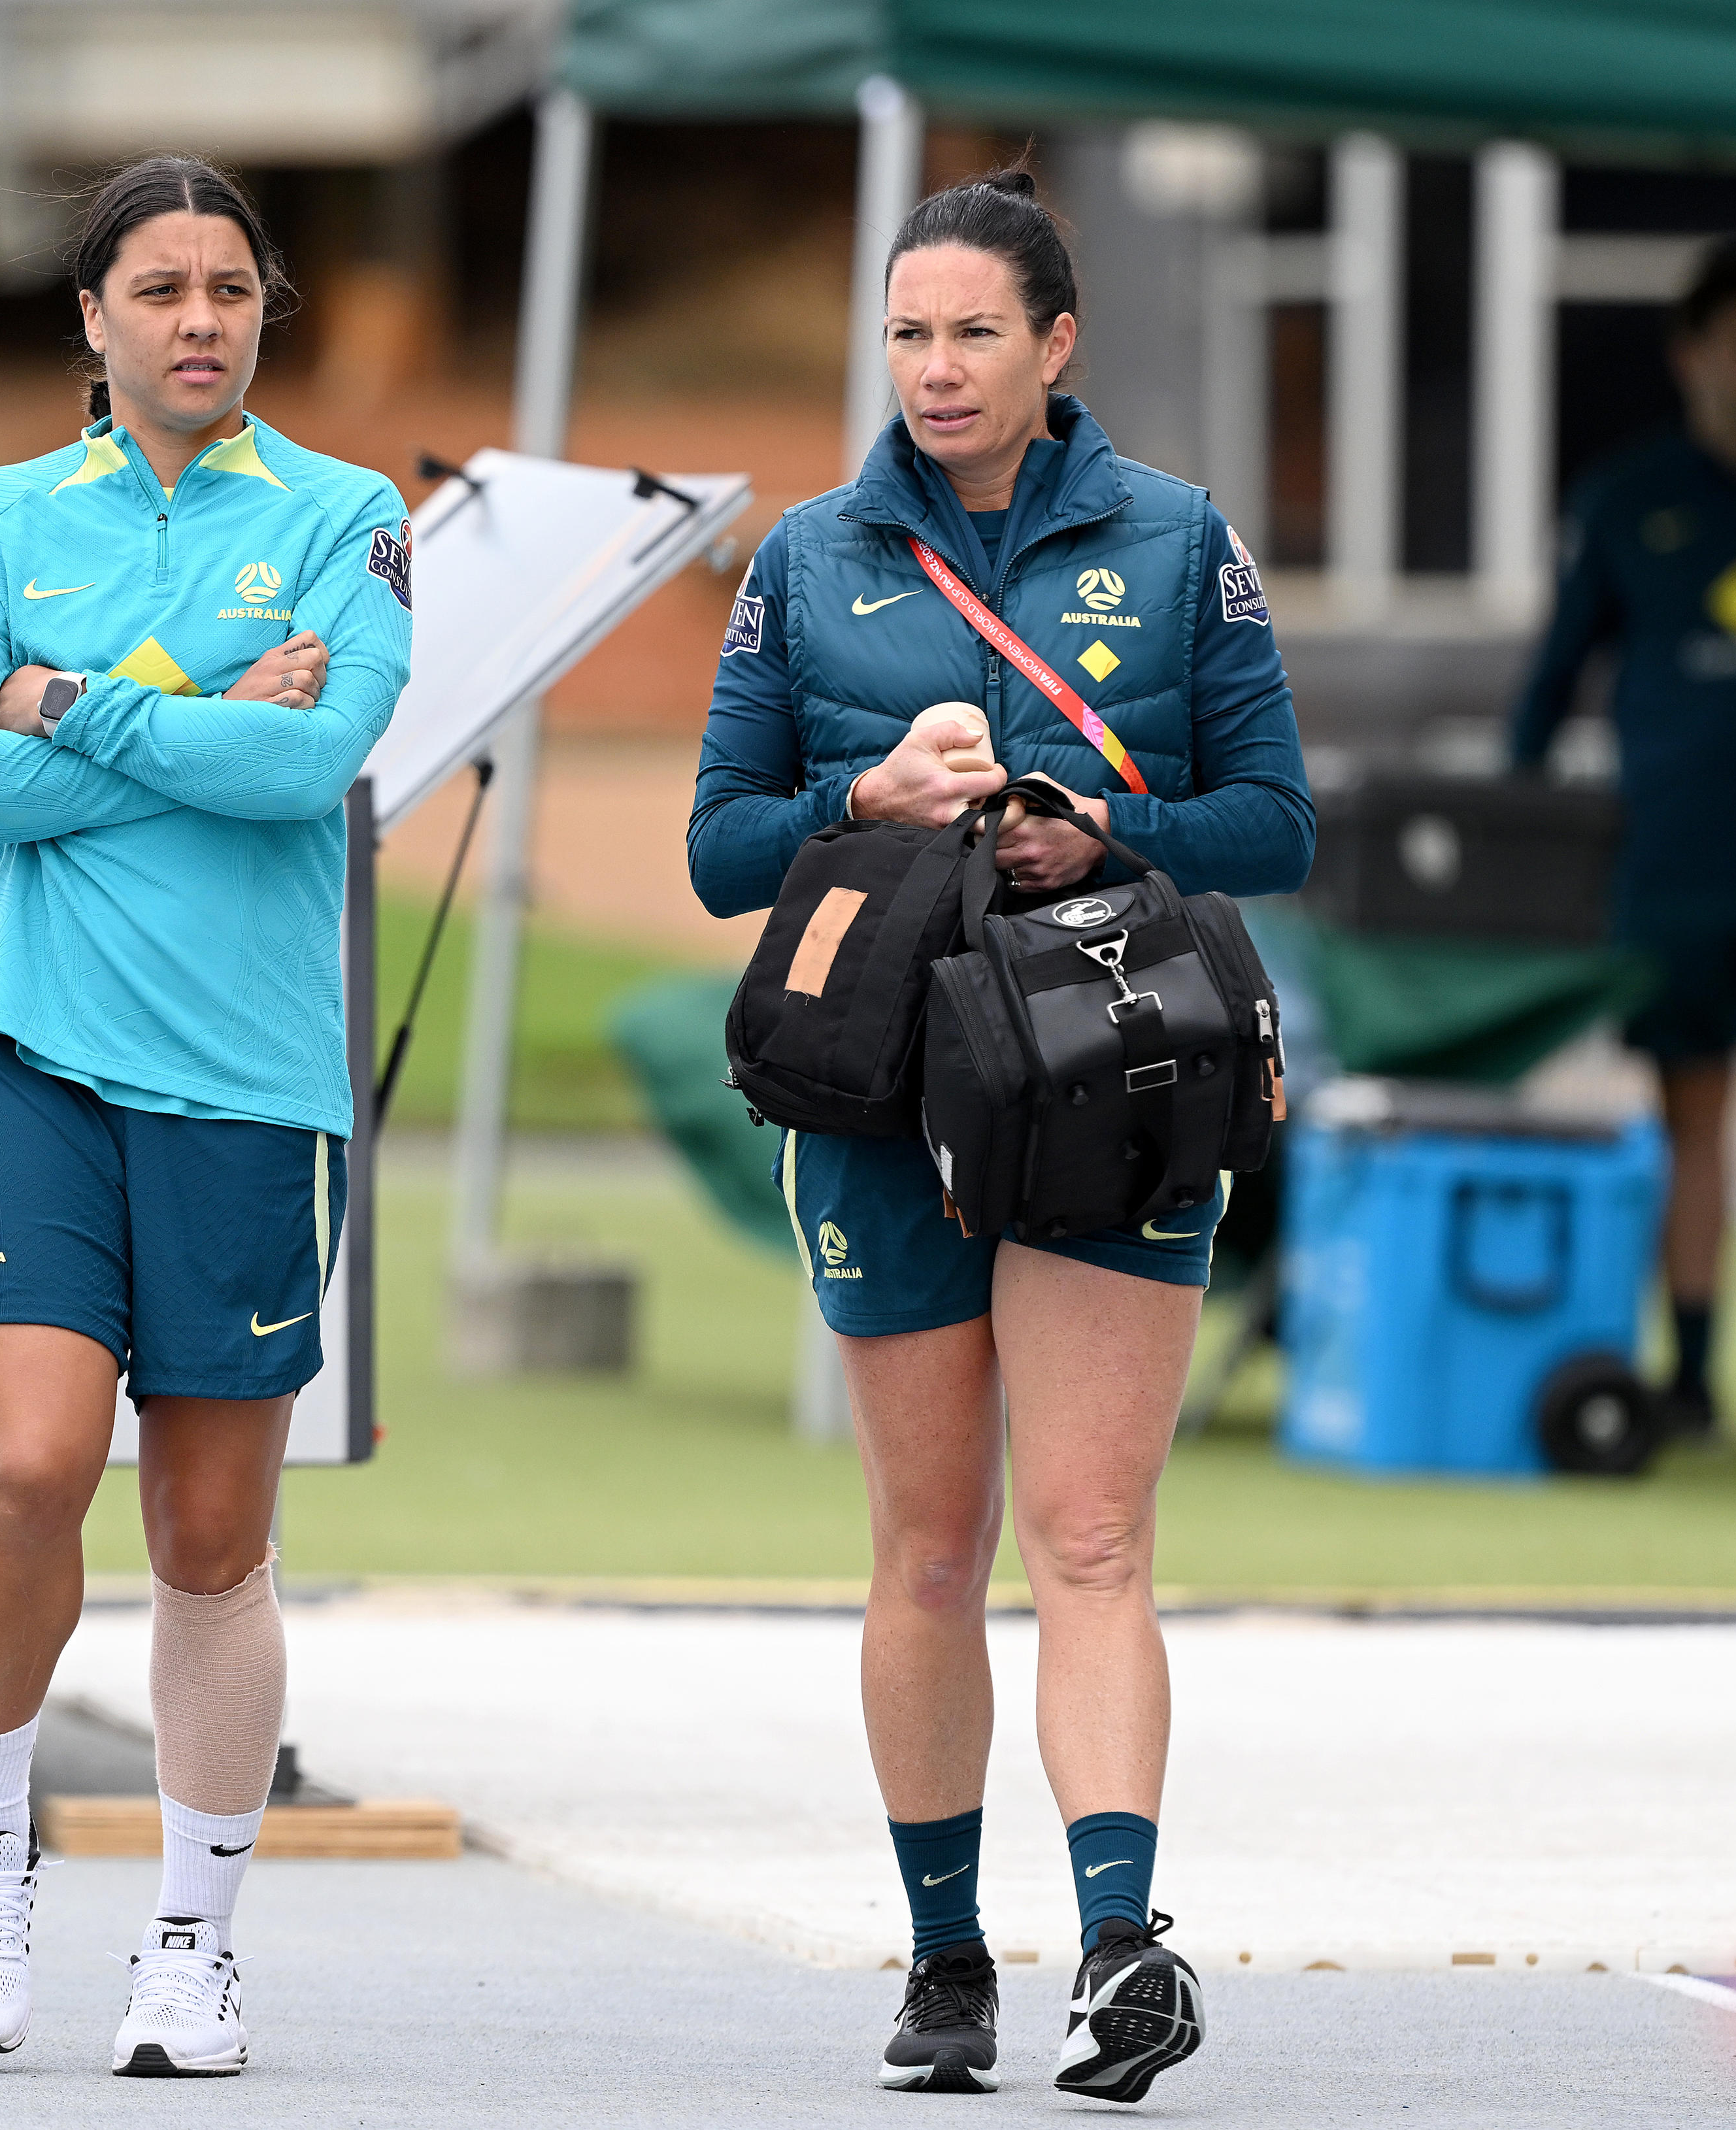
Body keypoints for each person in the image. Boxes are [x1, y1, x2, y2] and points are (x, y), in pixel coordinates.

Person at [687, 169, 1312, 2102]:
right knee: (931, 1546)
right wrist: (866, 794)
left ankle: (1121, 1944)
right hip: (886, 1094)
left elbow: (1276, 820)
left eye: (974, 332)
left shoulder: (1177, 535)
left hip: (1114, 1079)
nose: (937, 368)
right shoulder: (808, 556)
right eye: (907, 332)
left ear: (1058, 345)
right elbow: (723, 850)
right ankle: (947, 1955)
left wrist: (1105, 835)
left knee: (1099, 1528)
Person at [0, 155, 413, 2078]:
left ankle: (193, 1941)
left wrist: (74, 706)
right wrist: (178, 691)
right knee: (30, 1469)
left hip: (252, 1088)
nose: (200, 317)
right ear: (92, 320)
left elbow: (310, 765)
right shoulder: (5, 512)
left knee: (210, 1535)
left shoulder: (352, 517)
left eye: (231, 286)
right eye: (159, 287)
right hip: (33, 1052)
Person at [1509, 237, 1736, 1446]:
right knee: (1696, 1120)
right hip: (1675, 868)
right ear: (1694, 358)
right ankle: (1694, 1377)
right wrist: (1505, 829)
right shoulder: (1629, 499)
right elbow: (1555, 676)